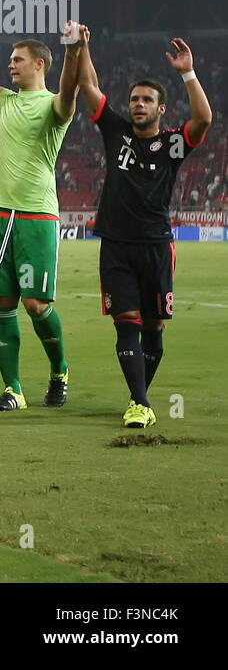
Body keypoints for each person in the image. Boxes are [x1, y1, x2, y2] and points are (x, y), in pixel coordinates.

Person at [0, 5, 84, 410]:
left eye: (17, 59)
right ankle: (14, 390)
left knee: (35, 304)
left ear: (39, 64)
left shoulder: (56, 105)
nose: (10, 65)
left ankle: (59, 371)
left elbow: (72, 90)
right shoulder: (3, 99)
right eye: (10, 60)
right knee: (2, 303)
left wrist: (73, 50)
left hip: (36, 216)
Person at [76, 31, 212, 428]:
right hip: (116, 246)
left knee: (153, 328)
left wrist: (188, 73)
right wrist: (83, 48)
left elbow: (203, 119)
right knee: (127, 323)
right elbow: (89, 86)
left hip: (156, 246)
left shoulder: (172, 144)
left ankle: (141, 396)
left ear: (160, 109)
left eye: (147, 100)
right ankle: (138, 402)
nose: (138, 104)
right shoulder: (115, 131)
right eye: (135, 99)